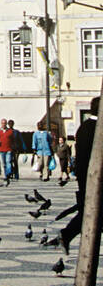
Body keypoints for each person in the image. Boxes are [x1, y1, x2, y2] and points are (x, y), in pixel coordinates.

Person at [60, 97, 99, 254]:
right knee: (89, 212)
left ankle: (66, 235)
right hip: (92, 179)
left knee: (88, 212)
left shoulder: (85, 127)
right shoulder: (95, 128)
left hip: (85, 177)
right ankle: (66, 234)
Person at [0, 118, 13, 184]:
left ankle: (9, 172)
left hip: (8, 149)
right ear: (1, 124)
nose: (3, 124)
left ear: (6, 124)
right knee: (4, 163)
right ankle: (6, 175)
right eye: (2, 123)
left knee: (8, 161)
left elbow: (13, 139)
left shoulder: (10, 131)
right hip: (1, 149)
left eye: (4, 123)